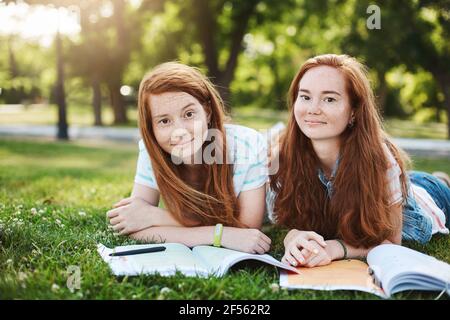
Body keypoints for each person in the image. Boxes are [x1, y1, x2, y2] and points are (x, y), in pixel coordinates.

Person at [267, 54, 450, 267]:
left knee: (428, 186)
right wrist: (292, 236)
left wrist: (337, 248)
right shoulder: (282, 155)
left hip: (429, 197)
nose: (313, 109)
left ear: (353, 111)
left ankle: (442, 180)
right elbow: (281, 220)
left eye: (329, 99)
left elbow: (392, 242)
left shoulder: (378, 159)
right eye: (305, 97)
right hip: (396, 185)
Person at [107, 62, 271, 254]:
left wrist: (159, 217)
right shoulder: (150, 150)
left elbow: (247, 232)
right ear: (151, 127)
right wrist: (219, 235)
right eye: (164, 121)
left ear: (207, 111)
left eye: (189, 114)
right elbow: (135, 224)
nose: (180, 131)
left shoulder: (248, 145)